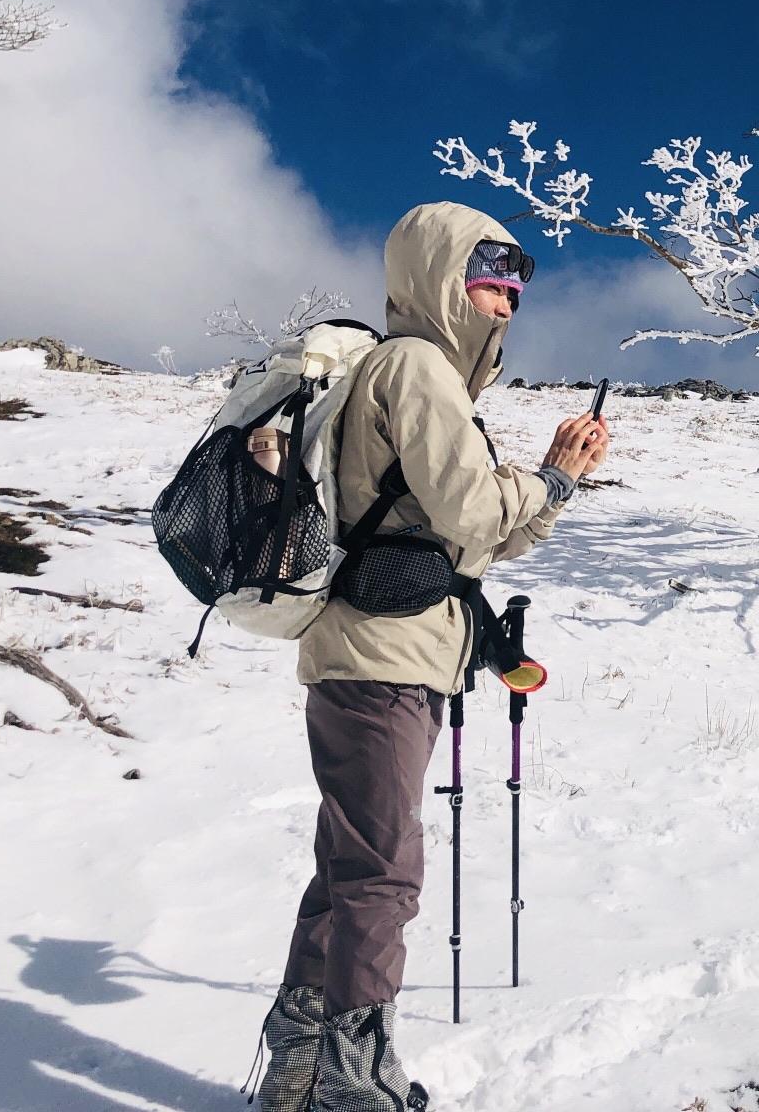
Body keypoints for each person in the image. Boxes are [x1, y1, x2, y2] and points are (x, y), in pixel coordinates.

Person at [255, 203, 610, 1112]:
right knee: (382, 872)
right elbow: (472, 513)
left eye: (515, 290)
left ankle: (299, 1072)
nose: (505, 305)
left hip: (384, 654)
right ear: (440, 282)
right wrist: (550, 478)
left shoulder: (430, 381)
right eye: (489, 284)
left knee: (350, 863)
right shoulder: (414, 366)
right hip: (380, 661)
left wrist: (555, 482)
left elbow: (481, 544)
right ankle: (352, 1085)